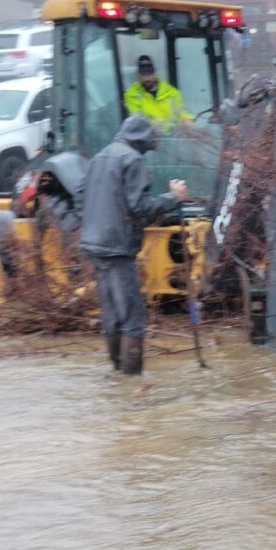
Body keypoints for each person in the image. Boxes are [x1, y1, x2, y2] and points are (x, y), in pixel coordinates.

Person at [79, 114, 188, 375]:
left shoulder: (100, 157)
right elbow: (139, 206)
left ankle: (117, 372)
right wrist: (173, 198)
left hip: (95, 245)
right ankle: (131, 379)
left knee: (112, 313)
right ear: (142, 141)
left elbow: (81, 196)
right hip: (117, 247)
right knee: (132, 318)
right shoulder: (132, 159)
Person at [123, 54, 192, 127]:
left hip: (172, 137)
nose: (147, 78)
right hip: (144, 137)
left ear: (154, 73)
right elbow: (135, 121)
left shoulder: (172, 93)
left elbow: (181, 112)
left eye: (149, 72)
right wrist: (153, 125)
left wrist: (186, 120)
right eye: (143, 73)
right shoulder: (132, 95)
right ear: (138, 75)